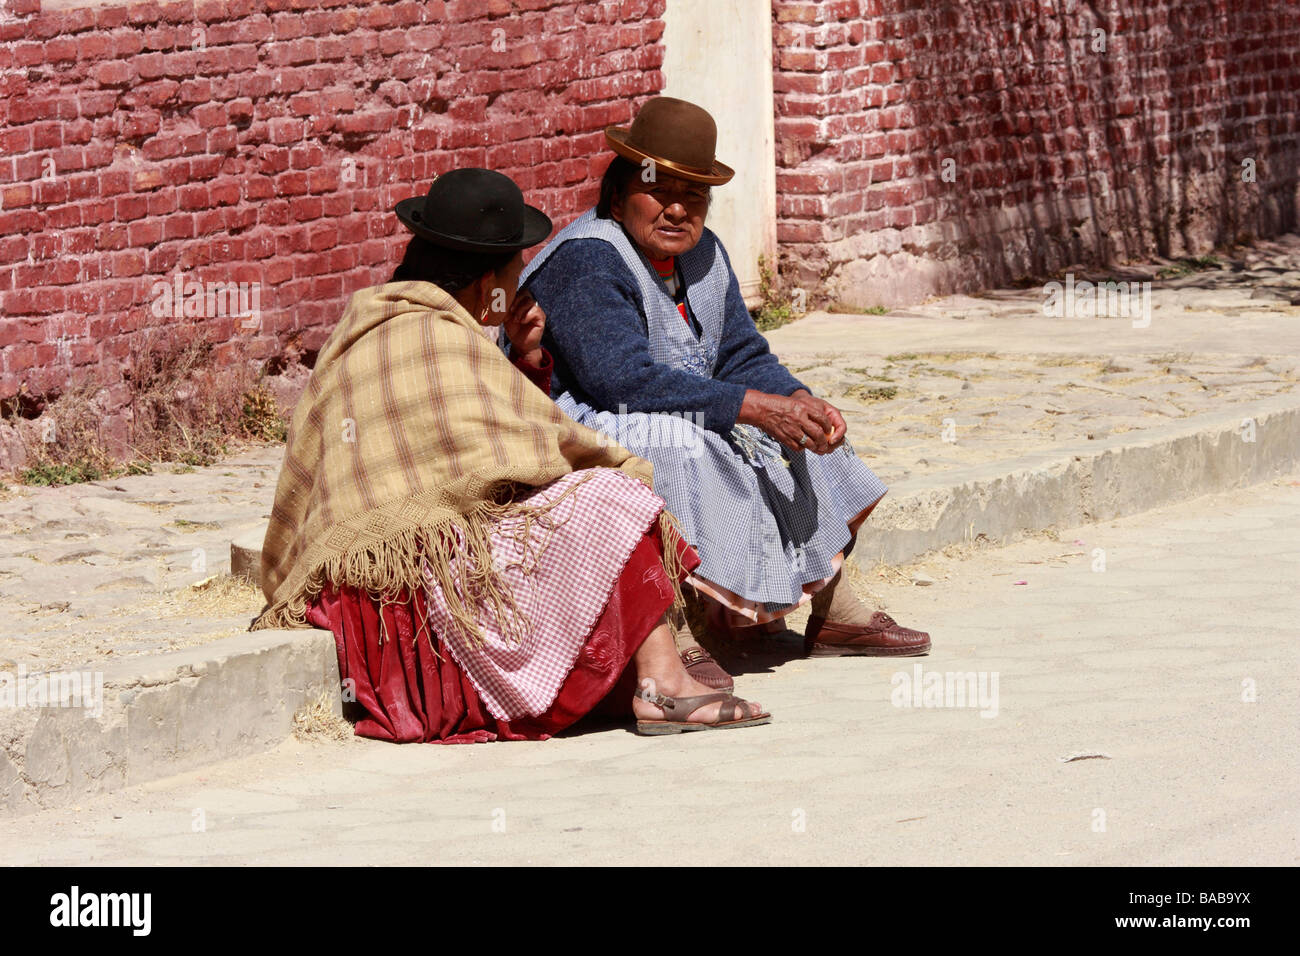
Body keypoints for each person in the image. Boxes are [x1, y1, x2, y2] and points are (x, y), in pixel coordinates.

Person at [252, 168, 768, 741]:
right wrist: (618, 469)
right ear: (487, 282)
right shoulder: (440, 341)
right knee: (610, 496)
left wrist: (521, 359)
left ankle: (653, 677)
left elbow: (483, 447)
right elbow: (538, 454)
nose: (523, 282)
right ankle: (664, 686)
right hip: (420, 610)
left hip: (363, 597)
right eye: (517, 270)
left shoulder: (369, 324)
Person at [518, 98, 931, 691]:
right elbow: (622, 382)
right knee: (679, 444)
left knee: (808, 433)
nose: (678, 208)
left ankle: (835, 610)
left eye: (696, 195)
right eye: (659, 190)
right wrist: (754, 407)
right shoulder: (588, 258)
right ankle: (672, 631)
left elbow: (740, 353)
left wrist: (794, 397)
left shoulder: (704, 254)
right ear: (617, 193)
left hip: (681, 400)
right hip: (588, 422)